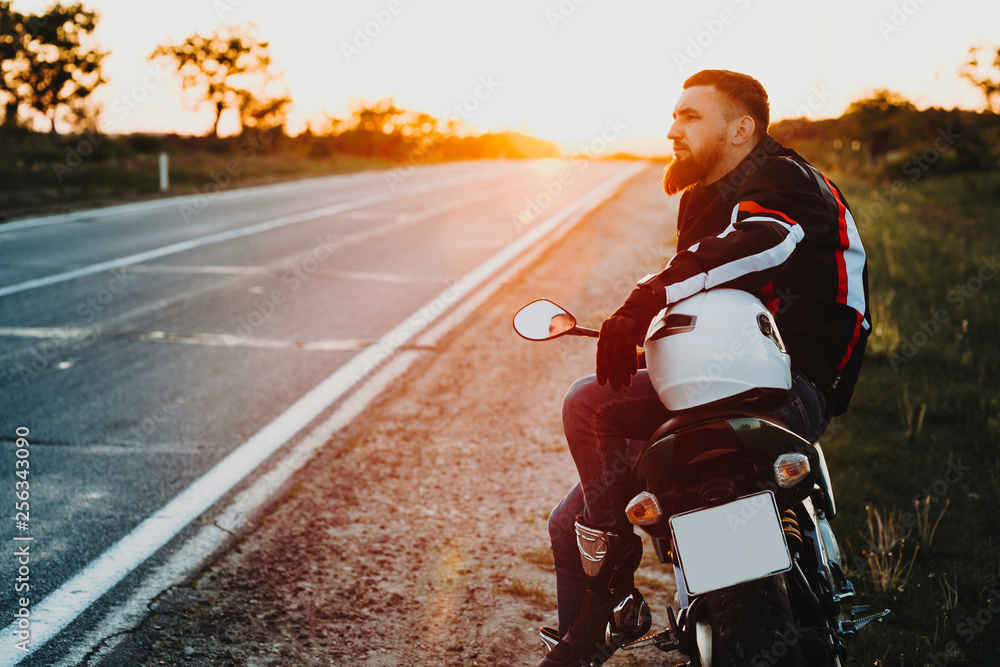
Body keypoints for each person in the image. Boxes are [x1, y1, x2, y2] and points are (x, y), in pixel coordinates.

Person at [537, 69, 871, 667]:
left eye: (691, 117)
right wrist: (651, 338)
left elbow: (756, 243)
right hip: (707, 384)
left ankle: (610, 596)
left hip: (790, 385)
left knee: (588, 421)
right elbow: (703, 295)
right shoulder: (698, 199)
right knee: (573, 506)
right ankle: (604, 607)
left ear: (742, 129)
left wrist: (642, 299)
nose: (672, 130)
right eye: (673, 115)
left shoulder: (785, 180)